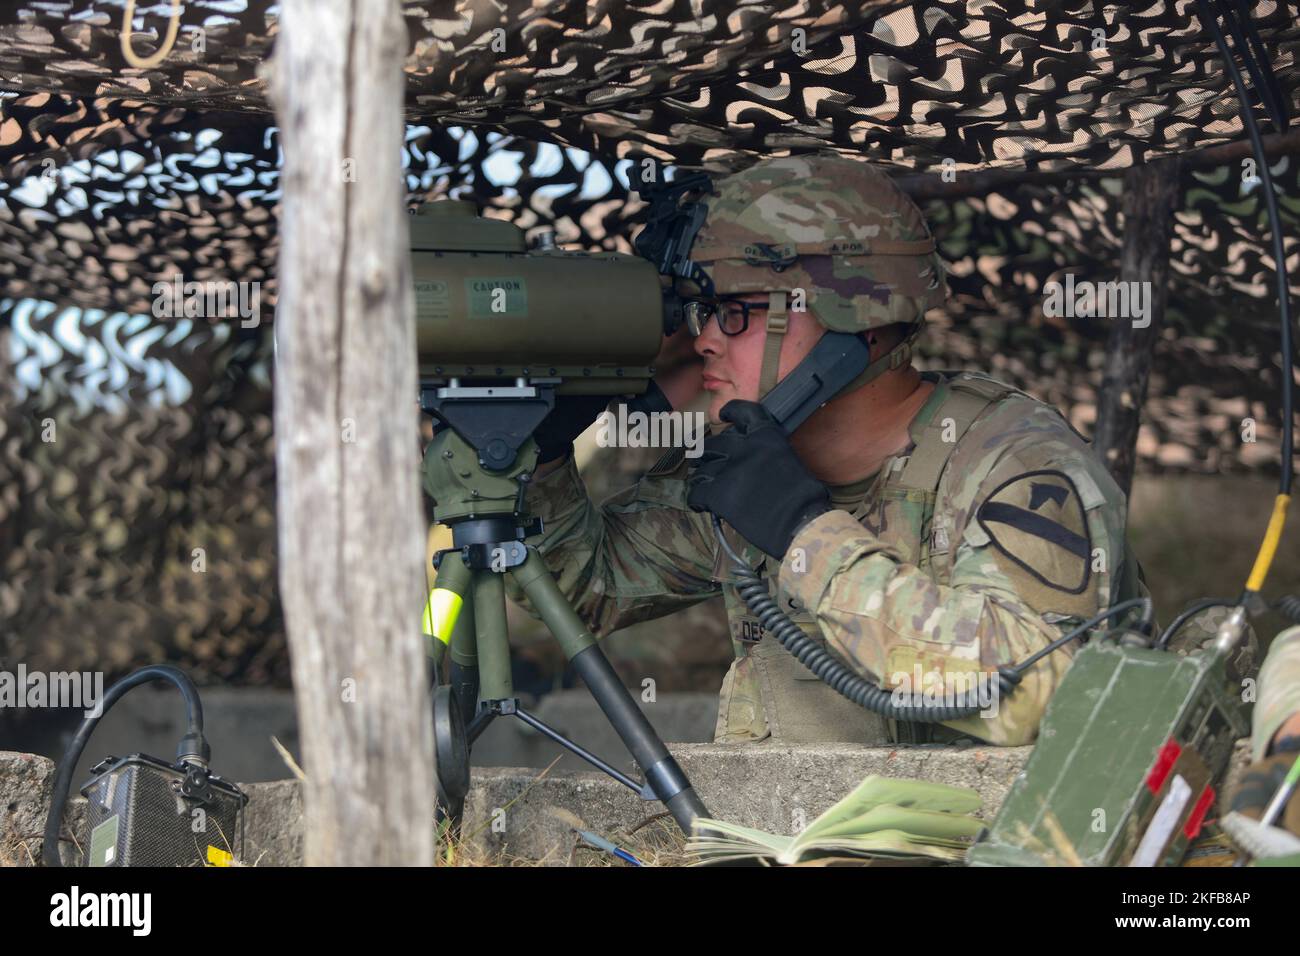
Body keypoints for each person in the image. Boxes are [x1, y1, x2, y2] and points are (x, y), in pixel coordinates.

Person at [505, 153, 1145, 747]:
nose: (704, 342)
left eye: (736, 312)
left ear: (853, 319)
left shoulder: (1014, 463)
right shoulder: (755, 462)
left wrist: (804, 534)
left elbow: (1037, 693)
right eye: (705, 313)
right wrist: (544, 453)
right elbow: (581, 587)